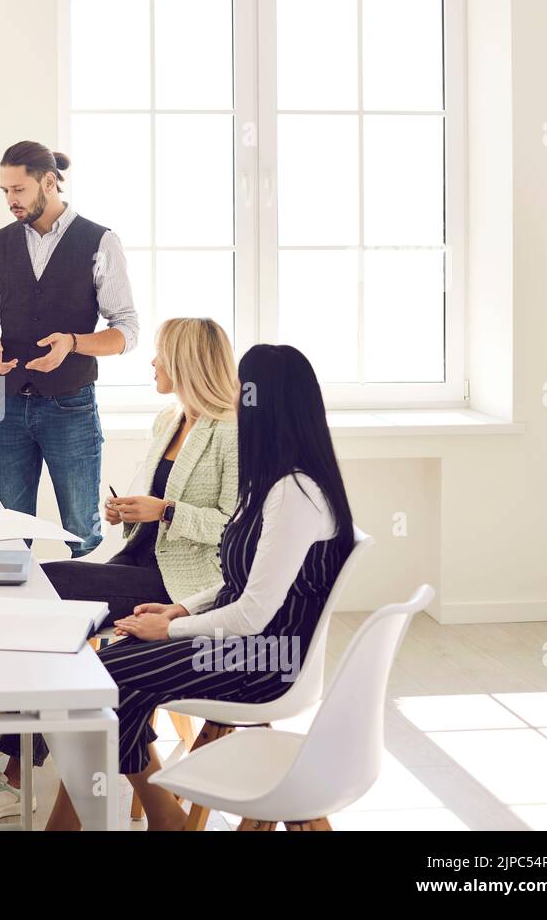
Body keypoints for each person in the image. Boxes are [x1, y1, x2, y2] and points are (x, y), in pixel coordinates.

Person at [44, 344, 356, 830]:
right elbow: (238, 579)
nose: (232, 398)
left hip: (266, 660)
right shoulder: (273, 481)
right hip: (242, 642)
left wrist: (169, 632)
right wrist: (178, 610)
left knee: (104, 676)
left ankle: (99, 820)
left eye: (240, 389)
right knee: (103, 674)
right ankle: (156, 815)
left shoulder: (296, 493)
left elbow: (253, 613)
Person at [0, 318, 240, 824]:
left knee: (49, 586)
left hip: (181, 582)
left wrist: (164, 510)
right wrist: (126, 511)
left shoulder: (232, 432)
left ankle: (13, 751)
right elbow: (152, 505)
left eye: (160, 355)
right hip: (138, 561)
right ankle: (17, 745)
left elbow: (235, 528)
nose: (152, 363)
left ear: (187, 364)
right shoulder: (168, 421)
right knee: (51, 616)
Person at [0, 140, 138, 559]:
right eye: (5, 191)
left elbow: (127, 331)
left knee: (82, 528)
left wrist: (75, 343)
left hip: (71, 407)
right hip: (6, 406)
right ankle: (17, 620)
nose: (11, 200)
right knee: (9, 529)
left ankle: (90, 618)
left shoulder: (100, 242)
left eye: (19, 190)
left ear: (49, 182)